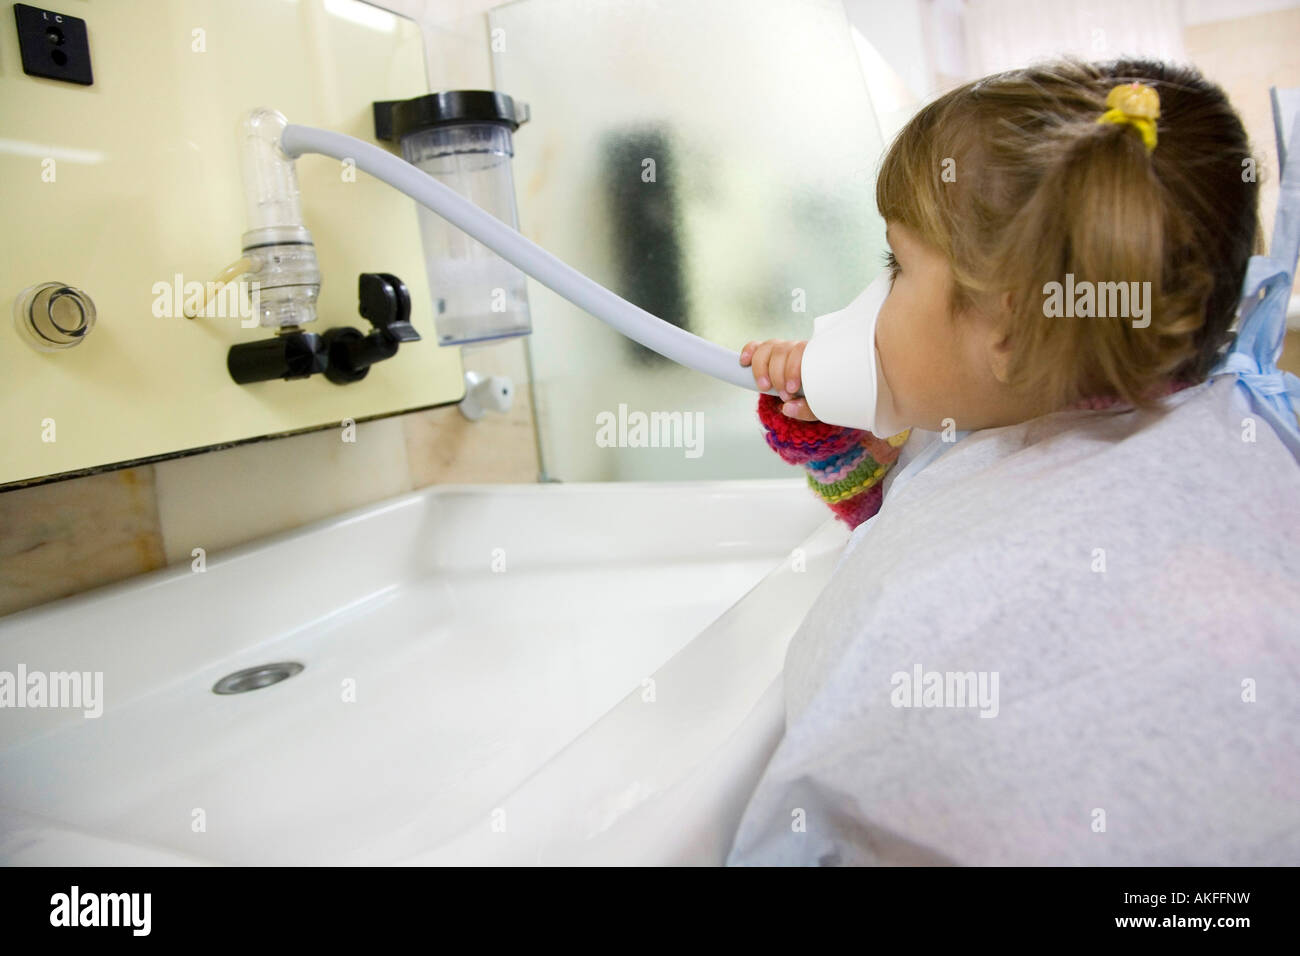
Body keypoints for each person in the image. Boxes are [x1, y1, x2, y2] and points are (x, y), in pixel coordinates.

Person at [729, 58, 1300, 865]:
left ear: (1008, 330)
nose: (874, 300)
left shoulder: (979, 608)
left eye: (896, 266)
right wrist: (841, 432)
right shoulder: (1158, 418)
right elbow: (915, 497)